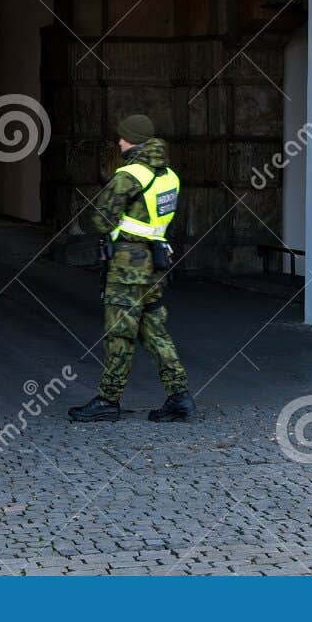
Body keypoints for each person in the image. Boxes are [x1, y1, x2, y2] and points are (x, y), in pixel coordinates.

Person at [68, 114, 197, 423]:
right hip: (155, 263)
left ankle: (108, 400)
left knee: (119, 334)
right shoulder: (169, 176)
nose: (119, 142)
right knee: (155, 332)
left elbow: (99, 219)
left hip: (127, 265)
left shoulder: (129, 175)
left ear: (134, 141)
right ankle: (179, 396)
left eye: (123, 138)